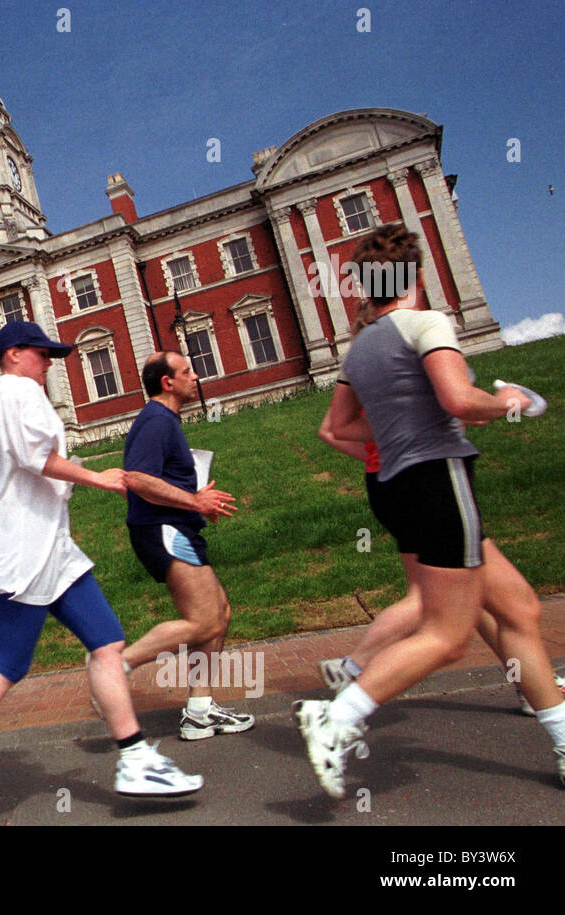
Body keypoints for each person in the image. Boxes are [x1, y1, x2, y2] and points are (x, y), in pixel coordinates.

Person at [295, 223, 565, 798]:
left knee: (516, 607)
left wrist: (402, 423)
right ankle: (338, 716)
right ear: (417, 275)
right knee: (449, 635)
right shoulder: (427, 322)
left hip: (396, 484)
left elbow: (340, 427)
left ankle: (562, 734)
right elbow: (459, 399)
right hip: (439, 477)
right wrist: (511, 402)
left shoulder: (360, 346)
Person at [0, 322, 202, 827]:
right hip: (26, 556)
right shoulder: (18, 393)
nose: (49, 362)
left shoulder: (4, 401)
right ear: (15, 355)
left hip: (52, 550)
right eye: (43, 353)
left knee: (108, 643)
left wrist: (13, 508)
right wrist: (94, 478)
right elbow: (33, 459)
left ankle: (134, 759)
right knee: (7, 663)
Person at [316, 403, 565, 714]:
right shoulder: (413, 357)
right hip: (430, 479)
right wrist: (505, 402)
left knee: (477, 594)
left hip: (388, 483)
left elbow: (329, 430)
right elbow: (460, 404)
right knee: (439, 596)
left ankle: (529, 686)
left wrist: (379, 458)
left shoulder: (359, 365)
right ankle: (353, 670)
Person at [116, 351, 254, 740]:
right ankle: (116, 665)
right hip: (162, 529)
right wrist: (193, 502)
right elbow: (137, 478)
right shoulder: (157, 420)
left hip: (177, 526)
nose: (195, 376)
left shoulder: (165, 420)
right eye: (187, 371)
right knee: (204, 620)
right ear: (167, 382)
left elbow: (160, 479)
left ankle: (199, 711)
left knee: (219, 613)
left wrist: (195, 502)